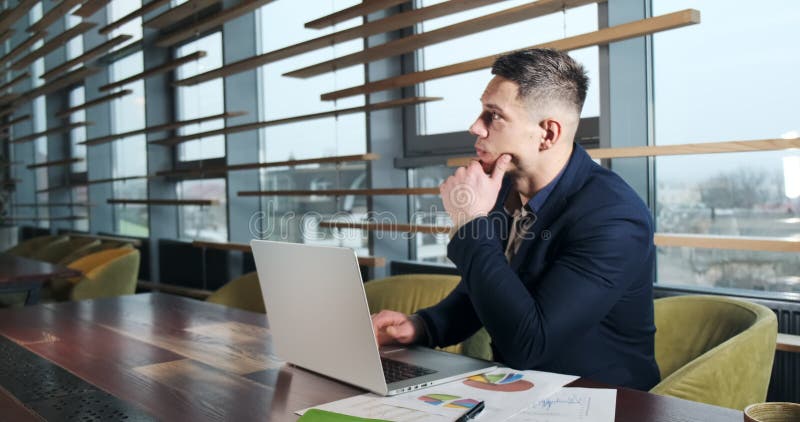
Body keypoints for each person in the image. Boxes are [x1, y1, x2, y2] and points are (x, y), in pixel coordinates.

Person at [371, 48, 660, 390]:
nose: (475, 127)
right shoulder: (503, 187)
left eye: (493, 115)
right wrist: (423, 326)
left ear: (548, 134)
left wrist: (470, 222)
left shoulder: (614, 217)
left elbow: (529, 344)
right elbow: (488, 290)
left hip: (602, 400)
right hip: (518, 390)